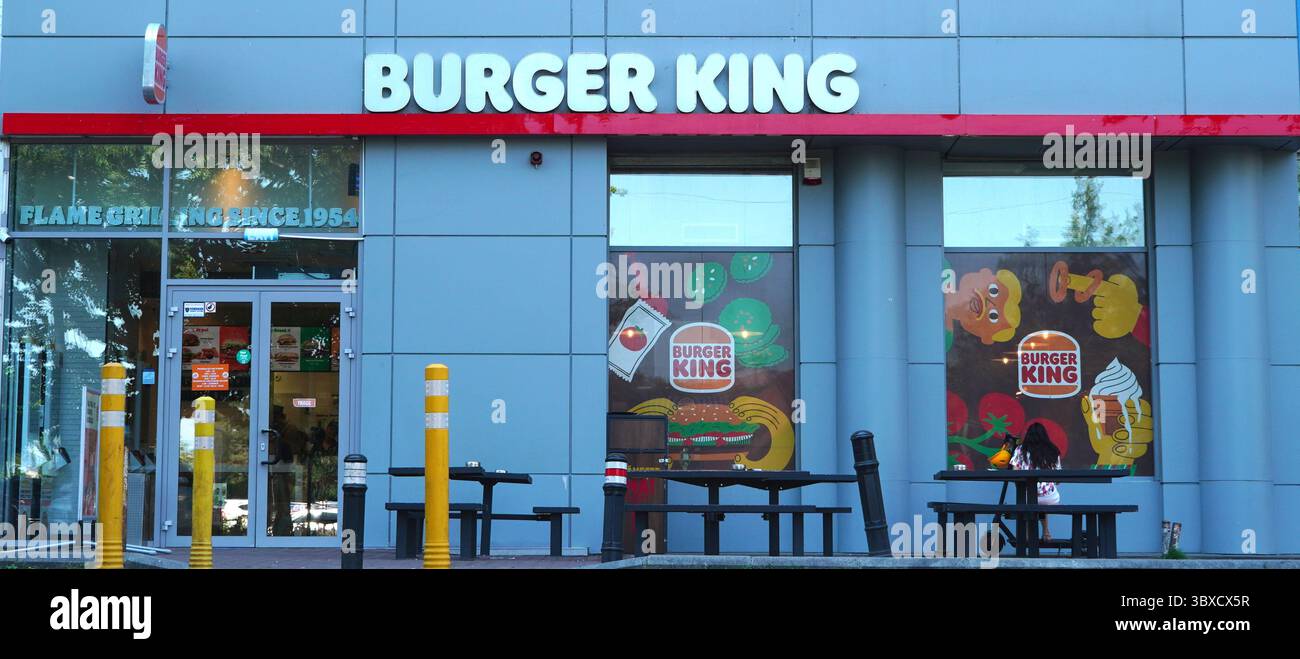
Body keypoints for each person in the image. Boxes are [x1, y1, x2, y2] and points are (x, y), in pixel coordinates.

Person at [1010, 422, 1062, 541]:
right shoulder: (1053, 451)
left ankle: (1028, 536)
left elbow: (1015, 473)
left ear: (1028, 435)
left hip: (1029, 496)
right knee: (1041, 500)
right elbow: (1058, 480)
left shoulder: (1020, 450)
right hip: (1051, 498)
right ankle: (1046, 531)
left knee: (1030, 499)